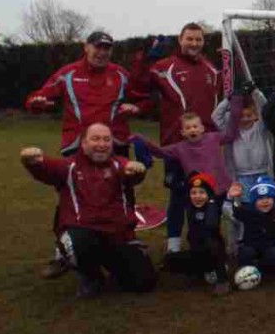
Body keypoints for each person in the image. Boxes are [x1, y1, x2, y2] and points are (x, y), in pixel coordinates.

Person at [25, 31, 141, 278]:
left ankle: (127, 240)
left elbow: (139, 97)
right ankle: (63, 251)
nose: (102, 52)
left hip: (114, 142)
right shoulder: (68, 73)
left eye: (107, 48)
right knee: (70, 196)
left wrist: (135, 106)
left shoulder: (120, 74)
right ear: (85, 47)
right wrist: (37, 103)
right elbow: (39, 96)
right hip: (77, 144)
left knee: (123, 193)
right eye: (97, 47)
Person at [20, 123, 156, 297]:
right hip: (84, 236)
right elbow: (47, 168)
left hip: (118, 236)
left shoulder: (118, 164)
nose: (102, 144)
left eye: (107, 139)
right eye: (95, 139)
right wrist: (33, 162)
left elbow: (129, 170)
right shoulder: (69, 166)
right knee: (75, 243)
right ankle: (91, 276)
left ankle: (117, 266)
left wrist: (137, 170)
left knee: (144, 283)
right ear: (83, 144)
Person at [130, 23, 222, 254]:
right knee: (179, 196)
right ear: (180, 40)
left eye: (198, 39)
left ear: (203, 42)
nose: (194, 43)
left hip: (206, 148)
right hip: (177, 146)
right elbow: (138, 87)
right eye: (189, 39)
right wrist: (146, 60)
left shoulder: (211, 68)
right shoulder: (164, 66)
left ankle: (205, 241)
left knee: (208, 195)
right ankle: (173, 246)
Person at [213, 89, 274, 254]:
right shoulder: (230, 128)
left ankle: (264, 241)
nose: (245, 119)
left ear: (255, 115)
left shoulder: (261, 126)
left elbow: (265, 107)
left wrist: (255, 92)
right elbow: (215, 117)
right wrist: (228, 99)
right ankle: (237, 245)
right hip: (240, 177)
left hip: (261, 175)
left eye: (249, 115)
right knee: (241, 211)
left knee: (263, 208)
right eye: (241, 116)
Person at [130, 112, 233, 196]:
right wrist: (142, 140)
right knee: (200, 218)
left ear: (202, 128)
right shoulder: (179, 148)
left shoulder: (213, 138)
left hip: (220, 188)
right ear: (183, 132)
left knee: (216, 216)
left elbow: (230, 135)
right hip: (197, 191)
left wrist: (237, 100)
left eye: (195, 126)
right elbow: (160, 152)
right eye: (188, 128)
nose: (192, 130)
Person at [161, 172, 230, 296]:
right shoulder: (189, 205)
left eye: (202, 193)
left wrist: (212, 202)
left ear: (209, 195)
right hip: (197, 251)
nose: (197, 196)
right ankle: (201, 272)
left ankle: (222, 279)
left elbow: (211, 224)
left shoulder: (212, 207)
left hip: (212, 252)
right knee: (169, 261)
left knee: (212, 244)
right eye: (194, 193)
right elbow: (179, 190)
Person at [224, 176, 275, 277]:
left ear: (274, 199)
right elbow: (229, 213)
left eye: (268, 198)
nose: (265, 201)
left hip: (269, 247)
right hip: (250, 246)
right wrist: (229, 197)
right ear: (254, 202)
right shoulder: (247, 212)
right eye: (260, 199)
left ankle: (264, 270)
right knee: (246, 253)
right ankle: (246, 271)